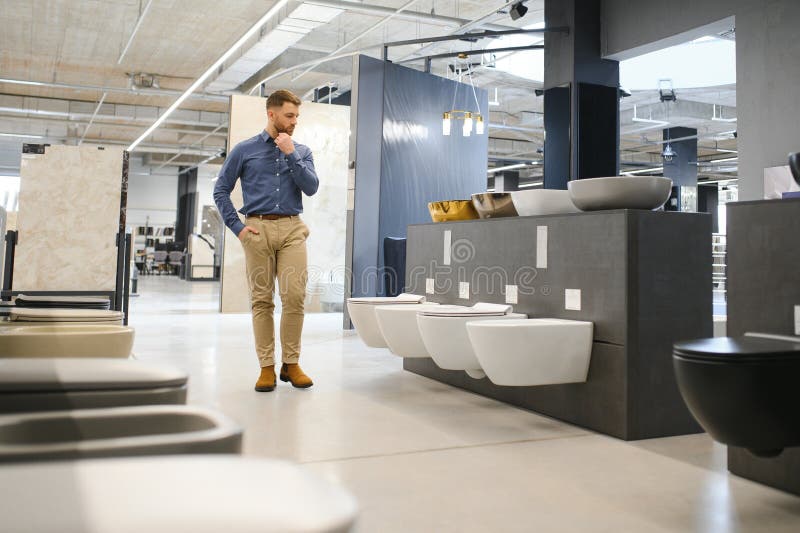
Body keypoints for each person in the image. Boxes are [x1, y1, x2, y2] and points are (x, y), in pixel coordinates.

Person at [213, 89, 319, 392]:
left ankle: (291, 363)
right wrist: (238, 228)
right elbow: (221, 190)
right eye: (289, 115)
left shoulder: (301, 150)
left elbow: (311, 187)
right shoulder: (244, 151)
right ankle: (266, 368)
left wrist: (291, 154)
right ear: (271, 114)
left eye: (297, 116)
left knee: (295, 297)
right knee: (262, 301)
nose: (294, 121)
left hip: (292, 230)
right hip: (257, 230)